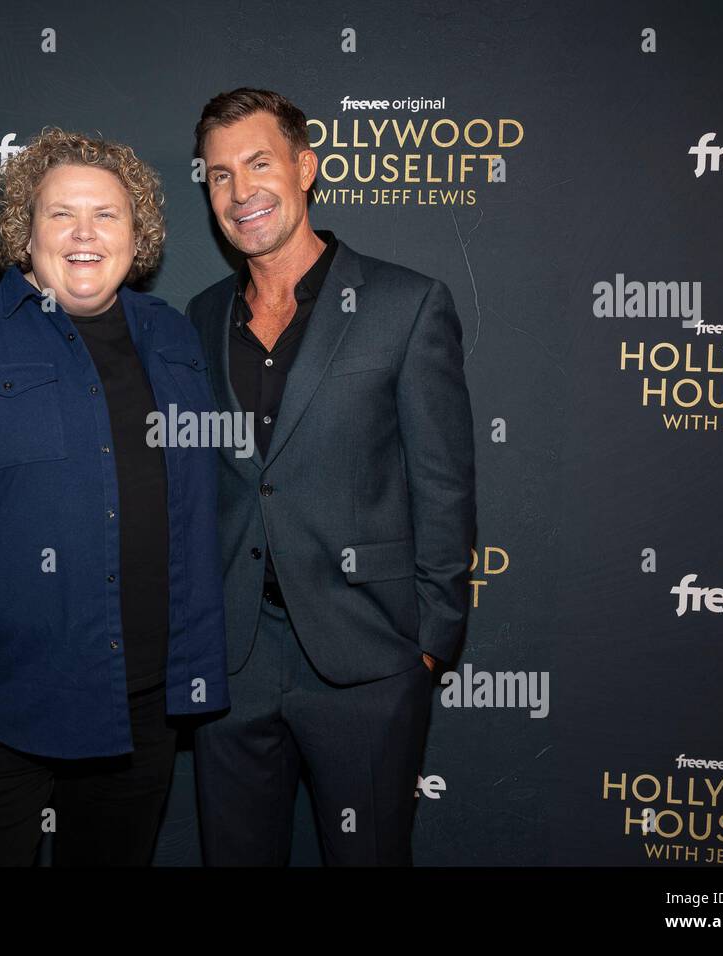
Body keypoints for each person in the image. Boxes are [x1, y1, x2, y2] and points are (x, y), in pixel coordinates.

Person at [0, 126, 229, 866]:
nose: (85, 233)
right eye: (61, 214)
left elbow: (195, 506)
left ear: (139, 235)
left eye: (108, 215)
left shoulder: (173, 339)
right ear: (25, 234)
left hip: (143, 701)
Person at [185, 88, 477, 865]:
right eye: (218, 175)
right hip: (233, 662)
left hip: (368, 661)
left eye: (257, 163)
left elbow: (444, 485)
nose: (240, 191)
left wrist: (428, 648)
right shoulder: (201, 315)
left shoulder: (406, 305)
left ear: (305, 167)